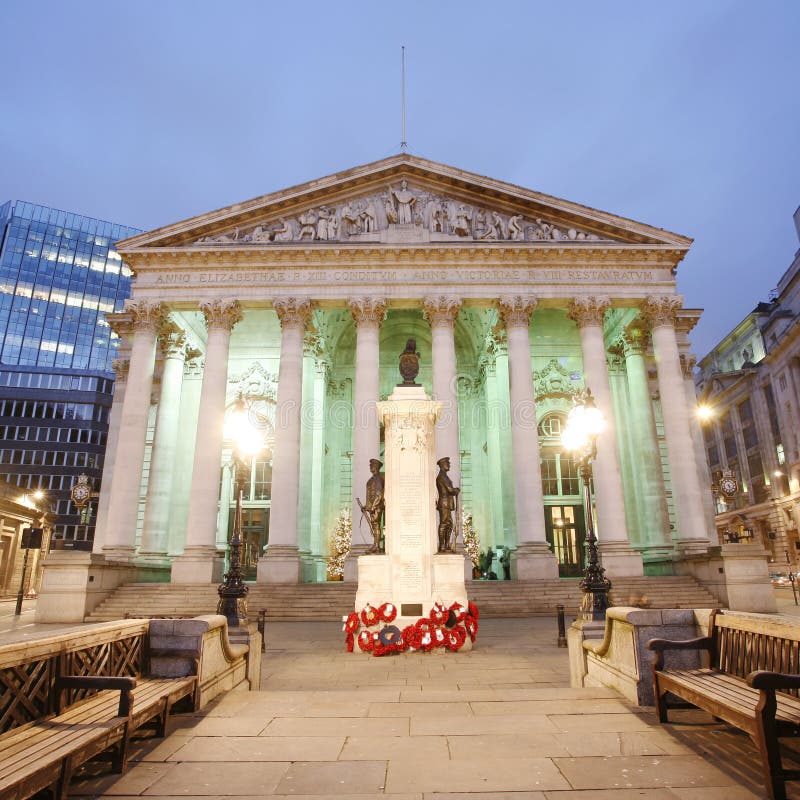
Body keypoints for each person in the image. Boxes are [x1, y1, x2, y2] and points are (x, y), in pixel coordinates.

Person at [435, 456, 460, 553]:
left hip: (447, 504)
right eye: (447, 463)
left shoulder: (445, 476)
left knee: (449, 524)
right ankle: (442, 546)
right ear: (442, 465)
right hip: (444, 504)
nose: (449, 465)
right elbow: (449, 489)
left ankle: (446, 544)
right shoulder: (441, 476)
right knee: (444, 523)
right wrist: (456, 490)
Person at [363, 459, 385, 553]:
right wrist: (366, 506)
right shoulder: (371, 479)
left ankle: (377, 546)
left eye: (372, 465)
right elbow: (371, 495)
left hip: (377, 507)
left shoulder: (378, 478)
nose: (370, 467)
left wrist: (373, 506)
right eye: (370, 465)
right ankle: (375, 545)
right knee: (374, 526)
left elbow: (379, 494)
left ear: (376, 467)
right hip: (372, 507)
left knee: (376, 525)